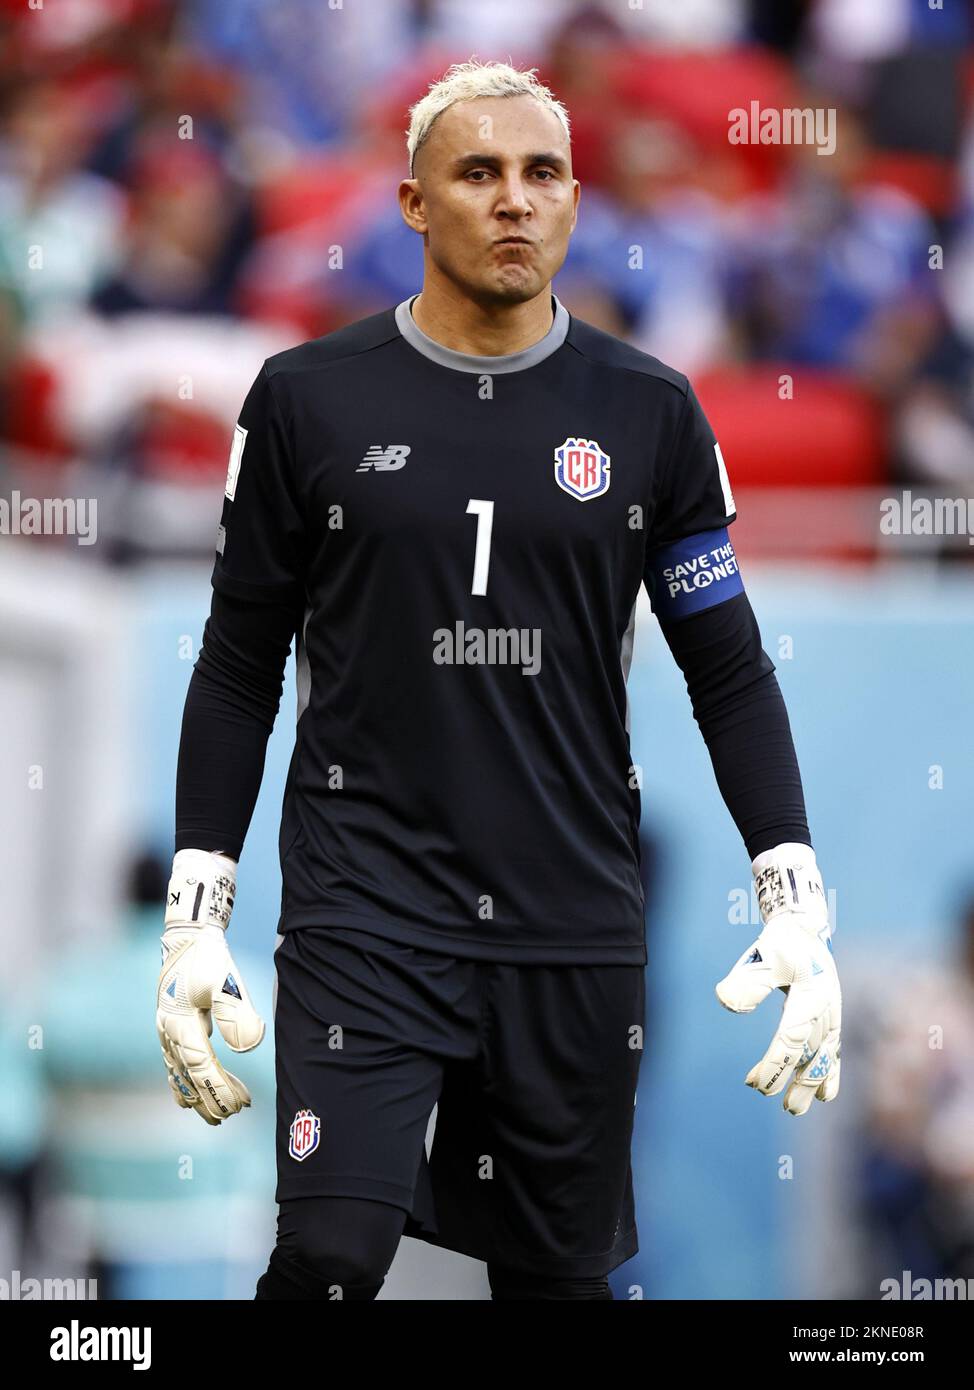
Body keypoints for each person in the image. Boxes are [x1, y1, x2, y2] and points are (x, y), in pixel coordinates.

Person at [155, 59, 842, 1302]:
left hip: (568, 919)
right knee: (324, 1257)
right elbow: (238, 659)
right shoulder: (308, 400)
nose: (514, 200)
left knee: (553, 1292)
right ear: (413, 203)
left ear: (576, 201)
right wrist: (195, 902)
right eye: (478, 173)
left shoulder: (651, 413)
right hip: (364, 911)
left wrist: (790, 890)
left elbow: (729, 672)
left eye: (541, 175)